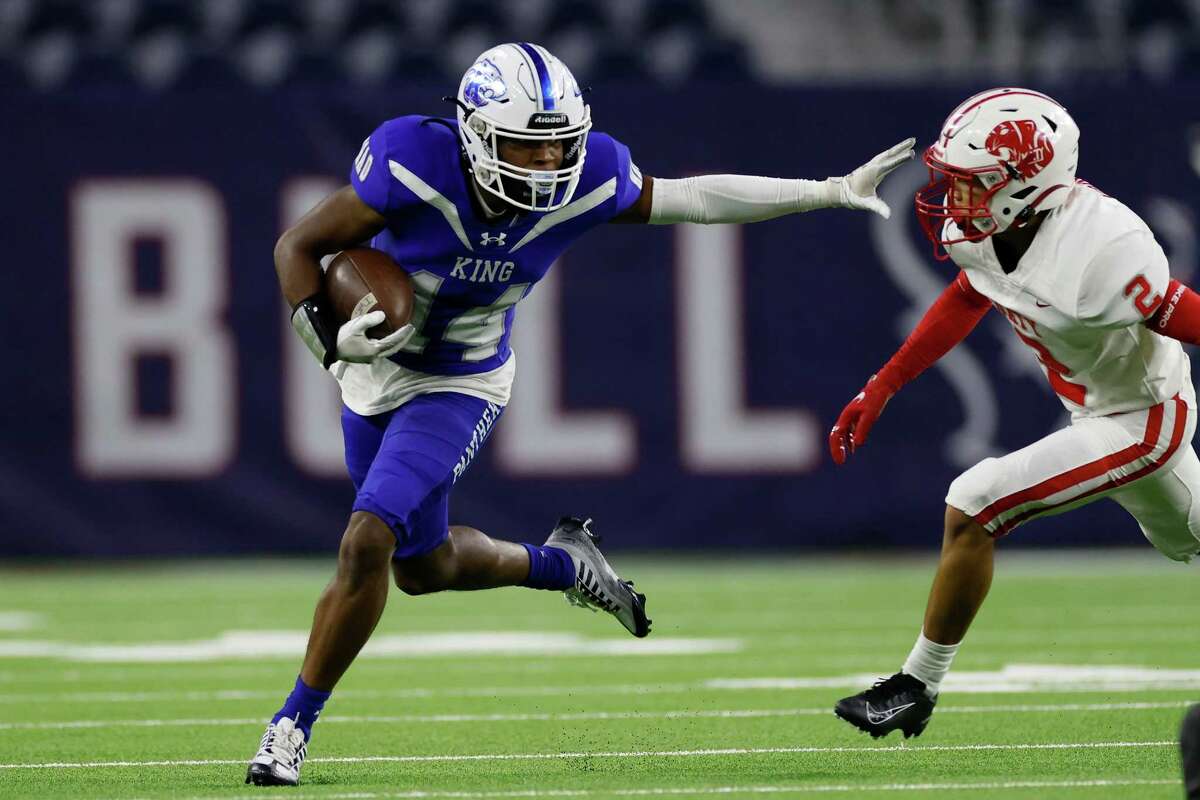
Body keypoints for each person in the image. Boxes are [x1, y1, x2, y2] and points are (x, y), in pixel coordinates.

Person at [247, 42, 914, 785]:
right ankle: (565, 563)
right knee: (421, 569)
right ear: (472, 135)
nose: (545, 167)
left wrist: (826, 190)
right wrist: (326, 337)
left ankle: (289, 729)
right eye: (524, 149)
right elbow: (298, 244)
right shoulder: (412, 161)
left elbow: (695, 198)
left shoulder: (590, 177)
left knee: (367, 538)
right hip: (373, 375)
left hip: (461, 381)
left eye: (557, 148)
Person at [828, 87, 1200, 739]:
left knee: (976, 500)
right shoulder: (988, 229)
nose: (953, 198)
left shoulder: (1102, 246)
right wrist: (884, 385)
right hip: (1095, 414)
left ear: (1026, 184)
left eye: (972, 183)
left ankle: (917, 683)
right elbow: (970, 293)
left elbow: (1178, 312)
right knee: (1188, 537)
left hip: (1144, 419)